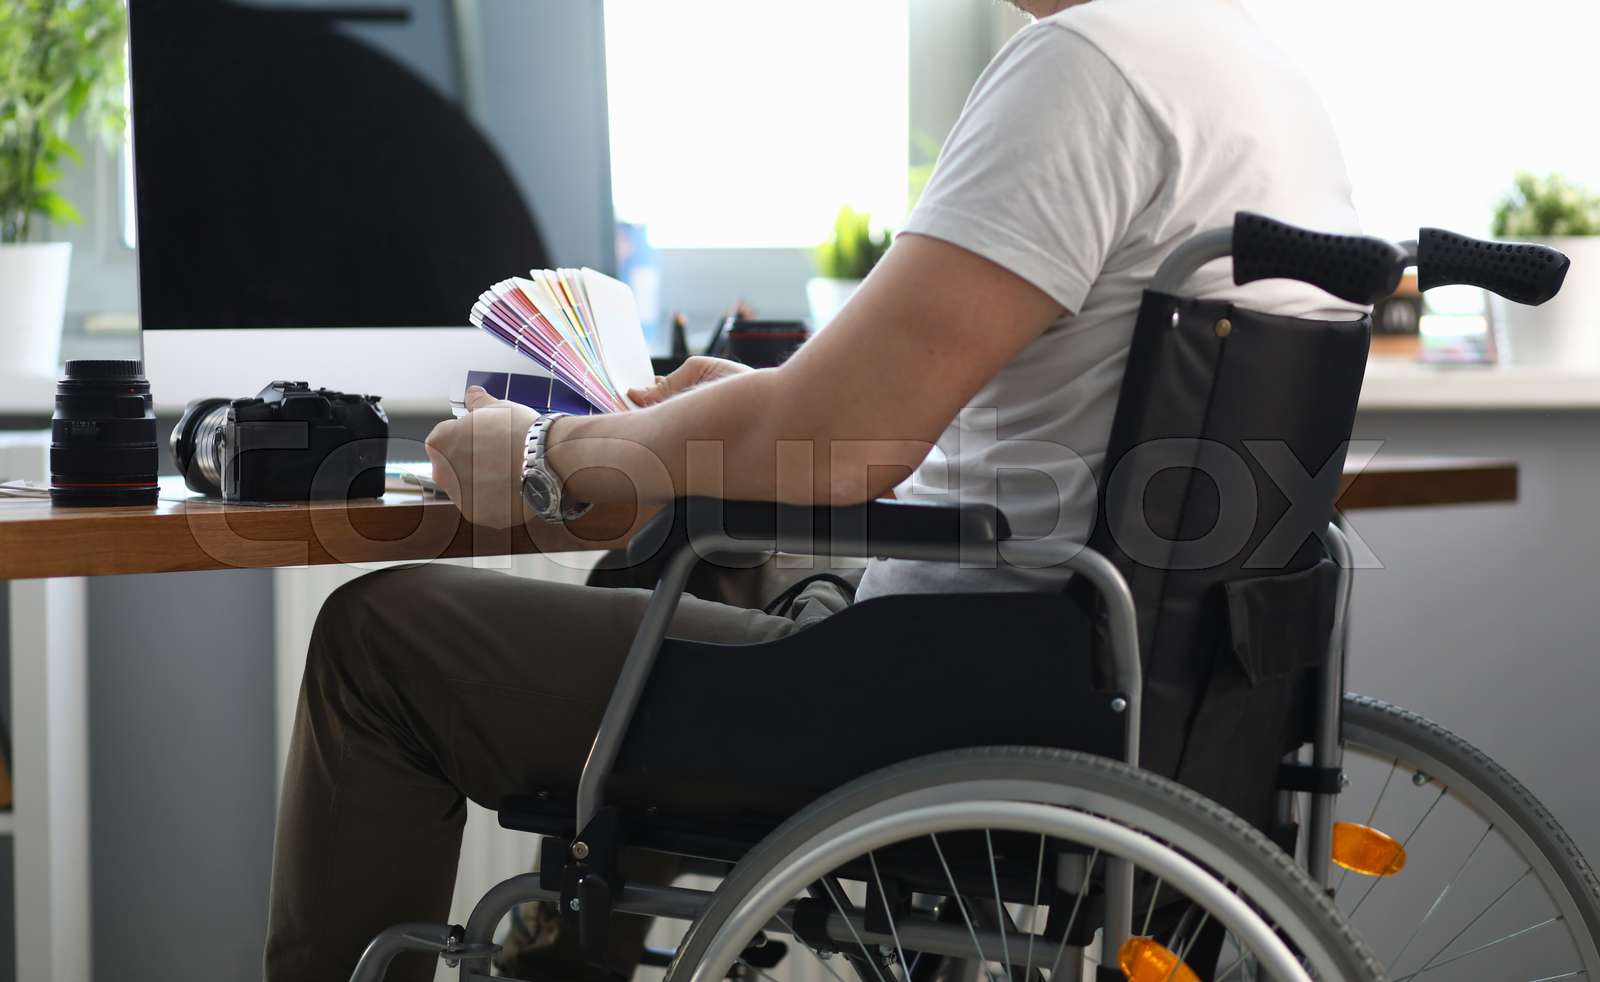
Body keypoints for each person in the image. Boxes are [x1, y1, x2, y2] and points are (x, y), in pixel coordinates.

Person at [263, 0, 1363, 978]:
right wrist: (750, 404)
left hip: (960, 705)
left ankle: (568, 940)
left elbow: (841, 448)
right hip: (1158, 685)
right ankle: (575, 950)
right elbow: (974, 414)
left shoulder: (1089, 66)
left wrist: (546, 455)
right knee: (700, 552)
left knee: (381, 639)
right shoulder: (1261, 78)